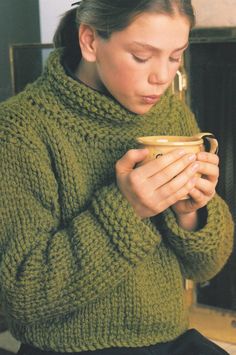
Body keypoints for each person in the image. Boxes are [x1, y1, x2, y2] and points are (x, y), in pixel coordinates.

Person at [0, 1, 233, 354]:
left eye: (175, 57)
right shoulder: (20, 129)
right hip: (68, 349)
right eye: (142, 56)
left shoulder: (171, 114)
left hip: (171, 341)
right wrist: (128, 209)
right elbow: (22, 294)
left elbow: (206, 268)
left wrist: (191, 213)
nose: (161, 77)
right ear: (90, 41)